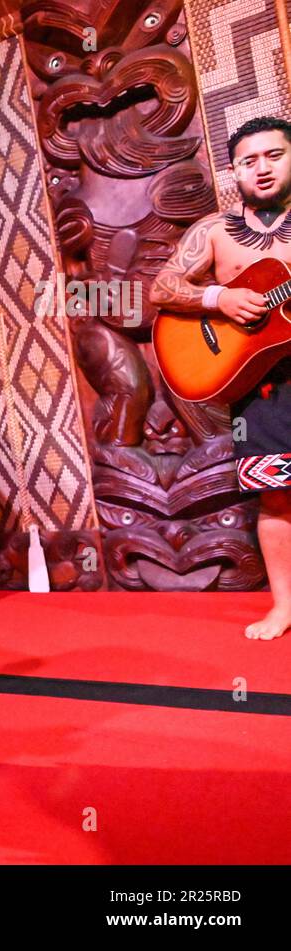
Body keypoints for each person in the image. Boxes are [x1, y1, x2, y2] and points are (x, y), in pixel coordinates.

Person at [150, 115, 291, 639]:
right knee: (276, 497)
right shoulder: (212, 231)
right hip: (262, 388)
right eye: (249, 160)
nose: (262, 168)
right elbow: (162, 288)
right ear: (234, 171)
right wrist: (220, 297)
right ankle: (283, 607)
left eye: (274, 155)